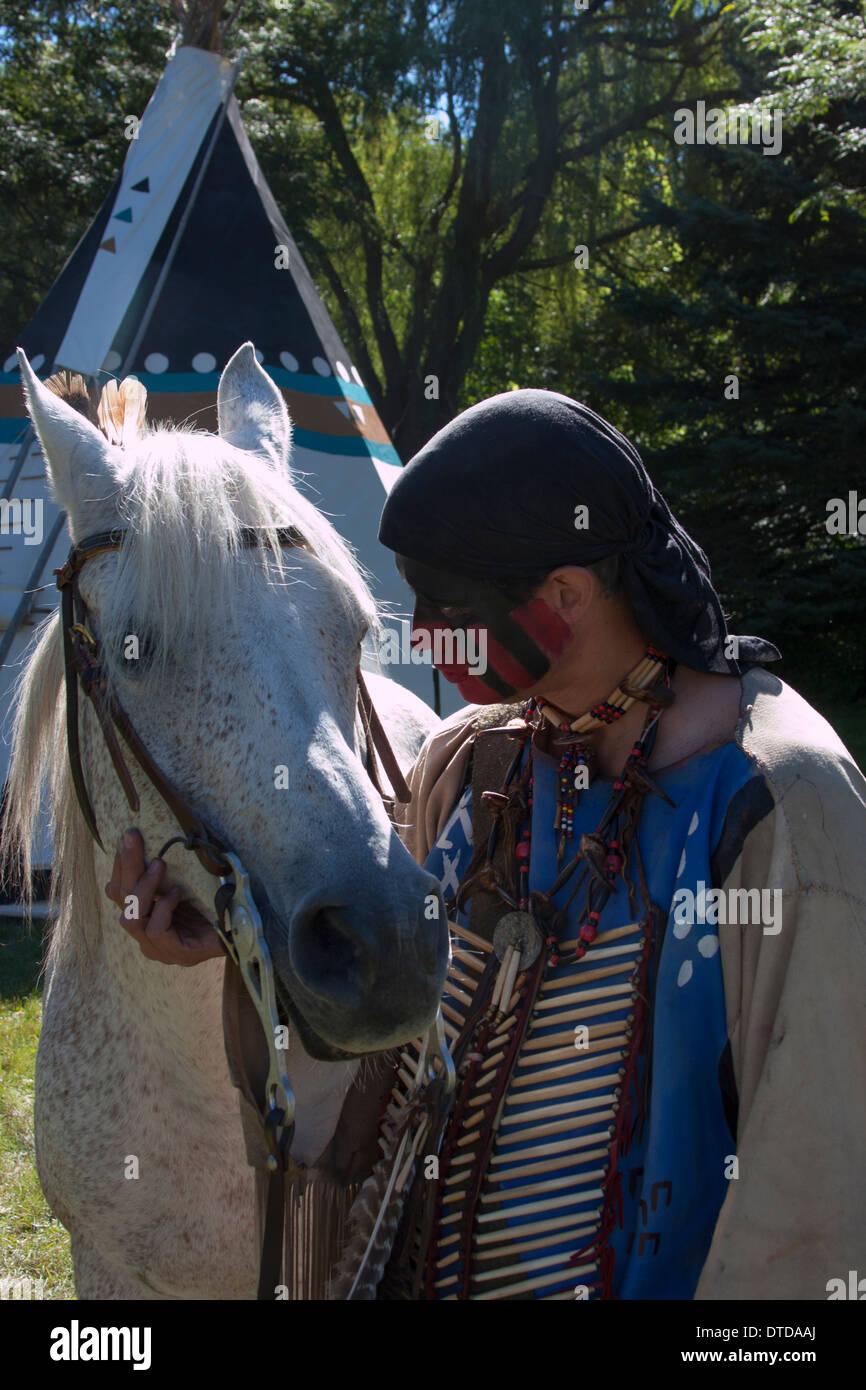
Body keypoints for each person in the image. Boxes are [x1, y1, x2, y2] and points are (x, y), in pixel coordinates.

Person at [107, 389, 866, 1301]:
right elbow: (380, 1055)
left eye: (452, 610)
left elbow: (812, 1210)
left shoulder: (782, 807)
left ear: (566, 595)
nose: (426, 639)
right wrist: (240, 933)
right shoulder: (471, 767)